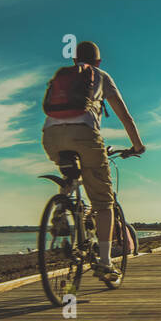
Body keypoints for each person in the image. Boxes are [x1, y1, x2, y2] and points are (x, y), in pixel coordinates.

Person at [42, 40, 145, 284]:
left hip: (51, 137)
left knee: (71, 173)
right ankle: (106, 263)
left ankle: (61, 207)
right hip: (85, 136)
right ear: (98, 61)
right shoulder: (101, 76)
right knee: (103, 202)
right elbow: (125, 116)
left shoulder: (62, 77)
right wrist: (138, 146)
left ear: (73, 60)